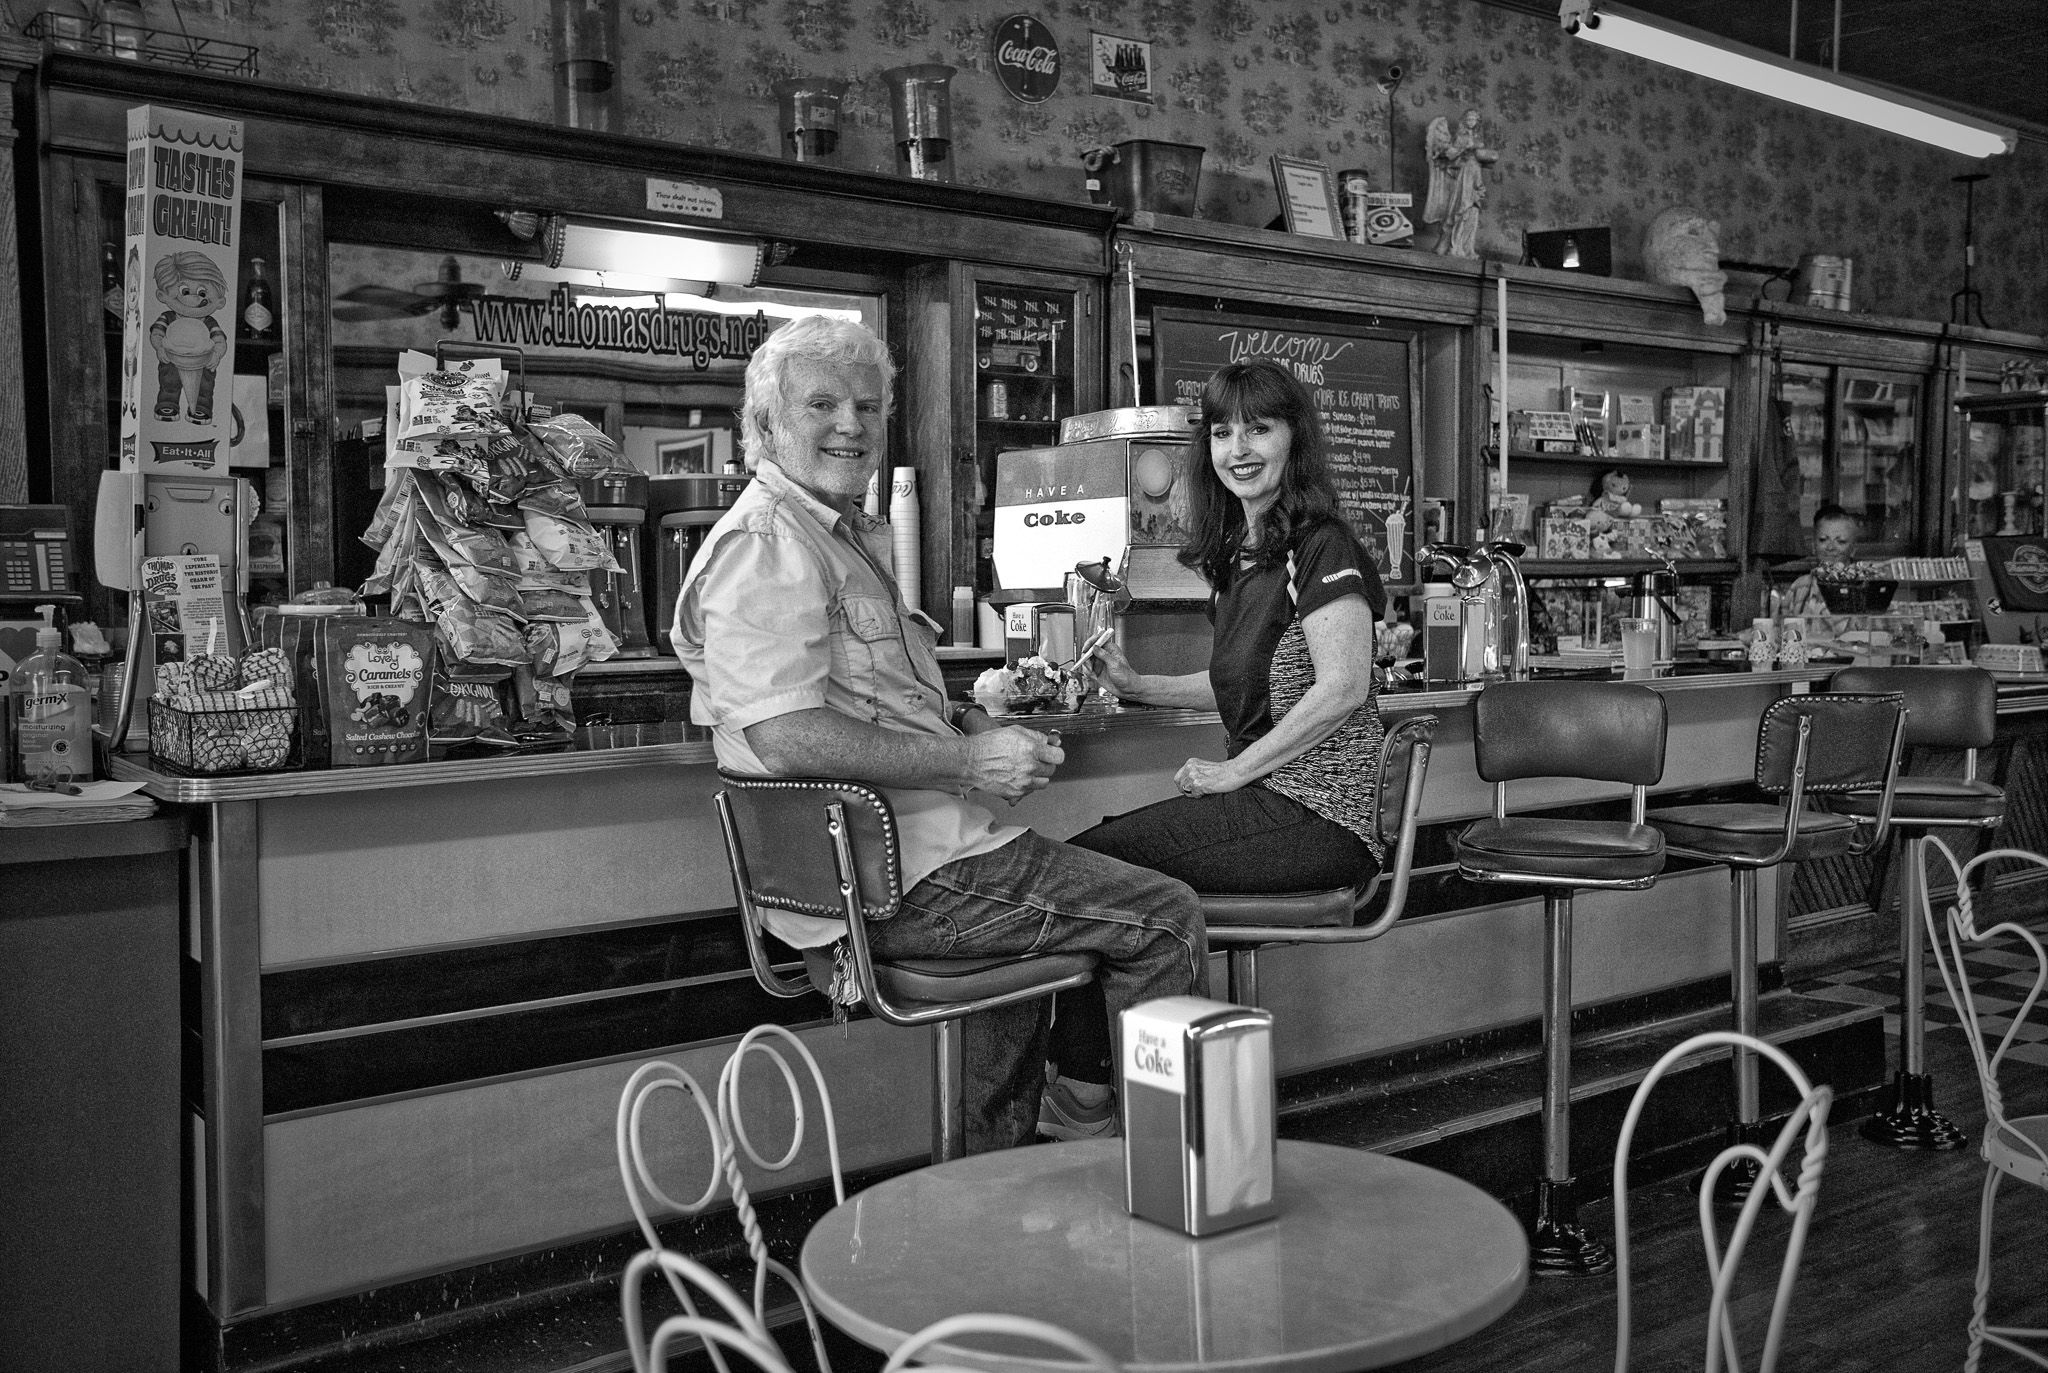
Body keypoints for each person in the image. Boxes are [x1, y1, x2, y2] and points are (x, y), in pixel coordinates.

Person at [671, 315, 1205, 1153]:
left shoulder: (835, 537)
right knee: (1166, 916)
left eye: (867, 407)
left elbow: (872, 701)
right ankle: (1162, 1171)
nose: (850, 425)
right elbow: (786, 736)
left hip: (923, 859)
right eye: (822, 404)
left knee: (1034, 950)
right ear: (767, 424)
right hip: (890, 881)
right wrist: (969, 760)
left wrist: (969, 719)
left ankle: (994, 1182)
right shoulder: (768, 544)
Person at [1043, 359, 1387, 1125]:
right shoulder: (1243, 551)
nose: (1239, 448)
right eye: (1224, 430)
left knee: (1092, 868)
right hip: (1272, 803)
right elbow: (1239, 681)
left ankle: (1091, 1097)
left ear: (1295, 438)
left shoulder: (1321, 545)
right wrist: (1139, 682)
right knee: (1094, 861)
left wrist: (1235, 772)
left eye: (1259, 428)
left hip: (1321, 816)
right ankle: (1092, 1093)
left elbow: (1343, 686)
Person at [1423, 108, 1498, 259]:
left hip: (1475, 170)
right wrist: (1465, 148)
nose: (1471, 122)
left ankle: (1466, 247)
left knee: (1473, 208)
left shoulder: (1477, 137)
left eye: (1474, 119)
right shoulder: (1460, 137)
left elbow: (1485, 156)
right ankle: (1454, 246)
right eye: (1469, 119)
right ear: (1464, 121)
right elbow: (1451, 155)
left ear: (1477, 122)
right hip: (1465, 171)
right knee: (1462, 206)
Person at [1783, 503, 1858, 620]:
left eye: (1841, 541)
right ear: (1813, 546)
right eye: (1823, 540)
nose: (1830, 547)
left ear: (1853, 550)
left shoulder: (1866, 588)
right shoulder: (1800, 587)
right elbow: (1782, 628)